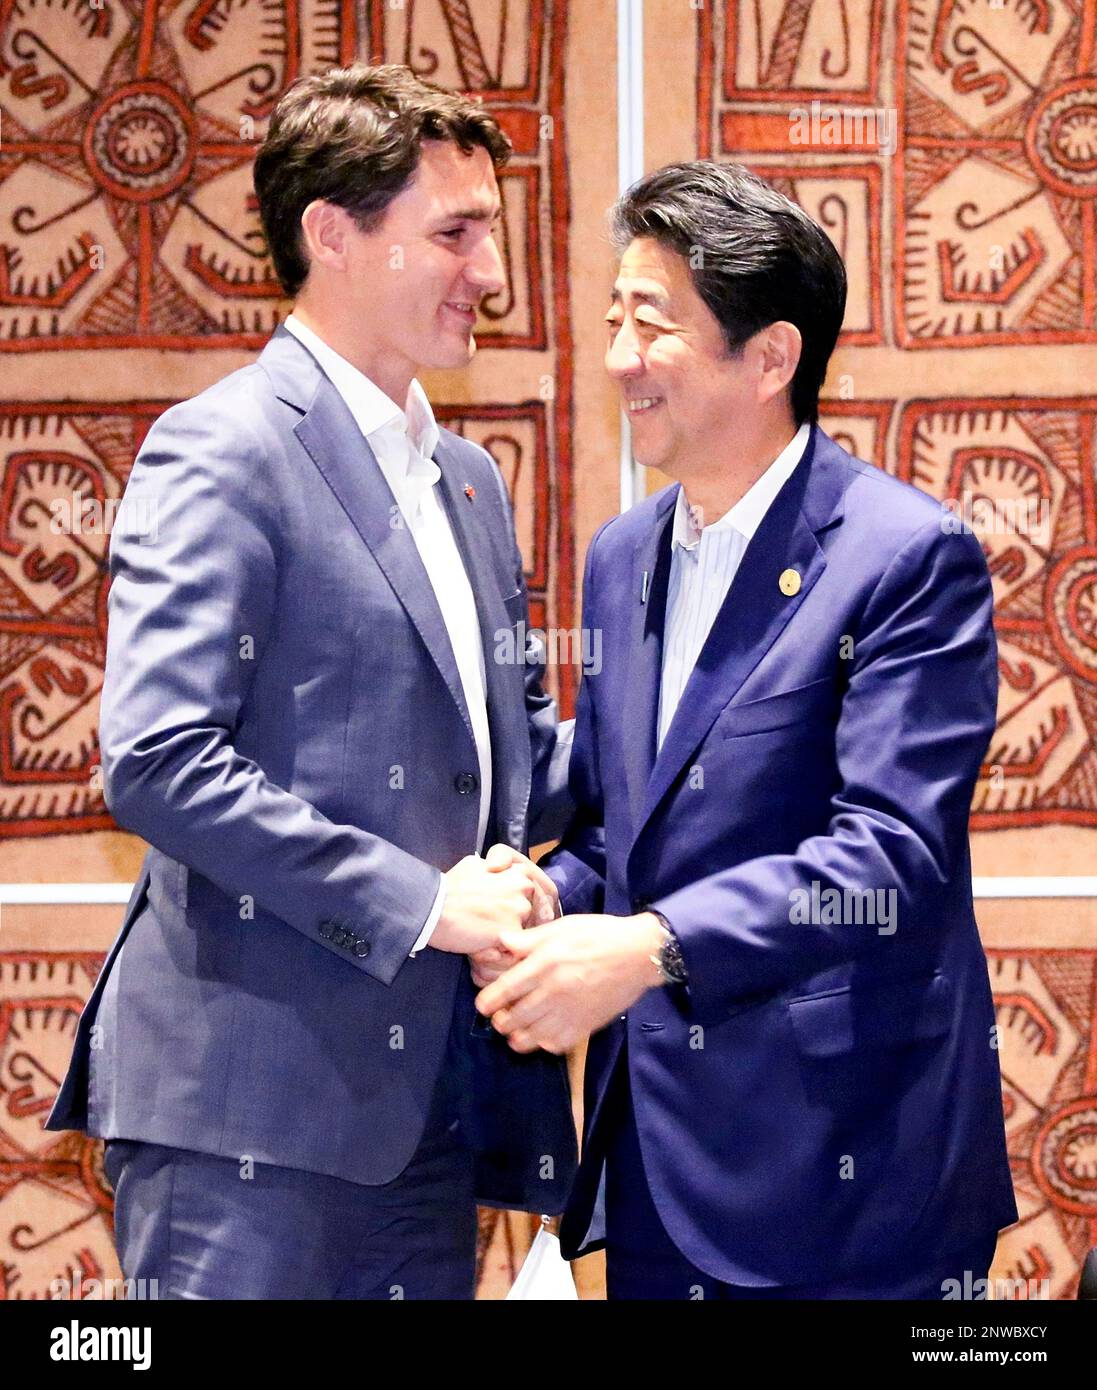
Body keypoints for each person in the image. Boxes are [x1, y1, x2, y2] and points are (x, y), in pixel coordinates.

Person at [46, 63, 576, 1301]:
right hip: (255, 1128)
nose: (490, 272)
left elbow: (516, 766)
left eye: (489, 231)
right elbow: (158, 761)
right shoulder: (221, 447)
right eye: (454, 232)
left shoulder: (469, 483)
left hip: (432, 1119)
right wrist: (422, 905)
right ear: (330, 235)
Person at [476, 161, 1017, 1299]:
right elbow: (636, 820)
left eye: (650, 323)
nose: (616, 356)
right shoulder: (622, 556)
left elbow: (887, 857)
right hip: (652, 1163)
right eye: (611, 317)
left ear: (769, 356)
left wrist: (642, 947)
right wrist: (549, 901)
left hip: (844, 1171)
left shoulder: (902, 557)